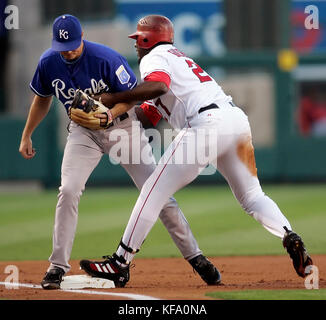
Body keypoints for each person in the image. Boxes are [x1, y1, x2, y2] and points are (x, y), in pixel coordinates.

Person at [79, 15, 313, 284]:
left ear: (147, 39)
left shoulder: (153, 58)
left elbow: (157, 86)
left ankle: (120, 262)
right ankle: (288, 234)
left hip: (205, 125)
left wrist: (111, 98)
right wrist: (108, 117)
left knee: (152, 190)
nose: (136, 45)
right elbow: (148, 115)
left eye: (138, 39)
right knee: (252, 195)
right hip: (235, 121)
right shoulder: (177, 58)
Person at [19, 14, 221, 289]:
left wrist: (110, 113)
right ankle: (57, 266)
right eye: (62, 46)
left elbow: (134, 96)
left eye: (73, 45)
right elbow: (41, 99)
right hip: (83, 132)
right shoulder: (48, 62)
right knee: (68, 190)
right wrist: (27, 133)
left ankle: (196, 257)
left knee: (156, 192)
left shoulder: (106, 59)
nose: (68, 50)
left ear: (82, 38)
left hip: (122, 129)